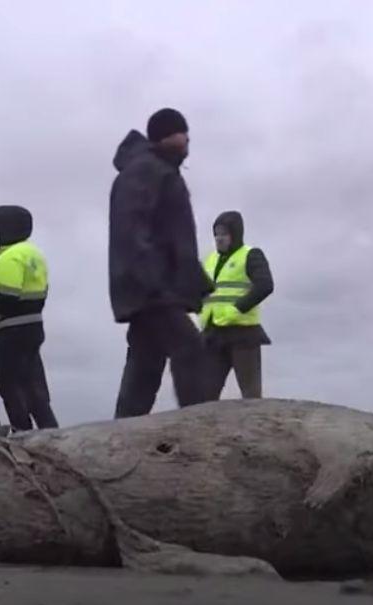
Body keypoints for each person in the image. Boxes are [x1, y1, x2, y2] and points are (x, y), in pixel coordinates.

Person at [108, 108, 213, 418]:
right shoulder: (146, 170)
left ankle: (121, 434)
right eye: (183, 132)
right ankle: (202, 428)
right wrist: (154, 281)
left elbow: (173, 237)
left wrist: (193, 281)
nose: (188, 138)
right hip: (152, 287)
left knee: (145, 362)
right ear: (167, 134)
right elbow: (132, 230)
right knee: (190, 348)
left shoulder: (159, 170)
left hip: (155, 285)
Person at [0, 204, 59, 432]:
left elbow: (7, 296)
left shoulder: (9, 258)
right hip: (34, 327)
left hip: (10, 331)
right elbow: (43, 292)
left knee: (10, 386)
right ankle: (51, 431)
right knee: (35, 385)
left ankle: (23, 434)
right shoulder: (35, 255)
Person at [199, 210, 274, 400]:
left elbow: (265, 285)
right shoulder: (210, 259)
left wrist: (237, 309)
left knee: (250, 395)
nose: (219, 239)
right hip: (213, 332)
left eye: (224, 234)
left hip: (243, 332)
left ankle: (256, 429)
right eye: (216, 235)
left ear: (235, 234)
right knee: (203, 394)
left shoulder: (250, 255)